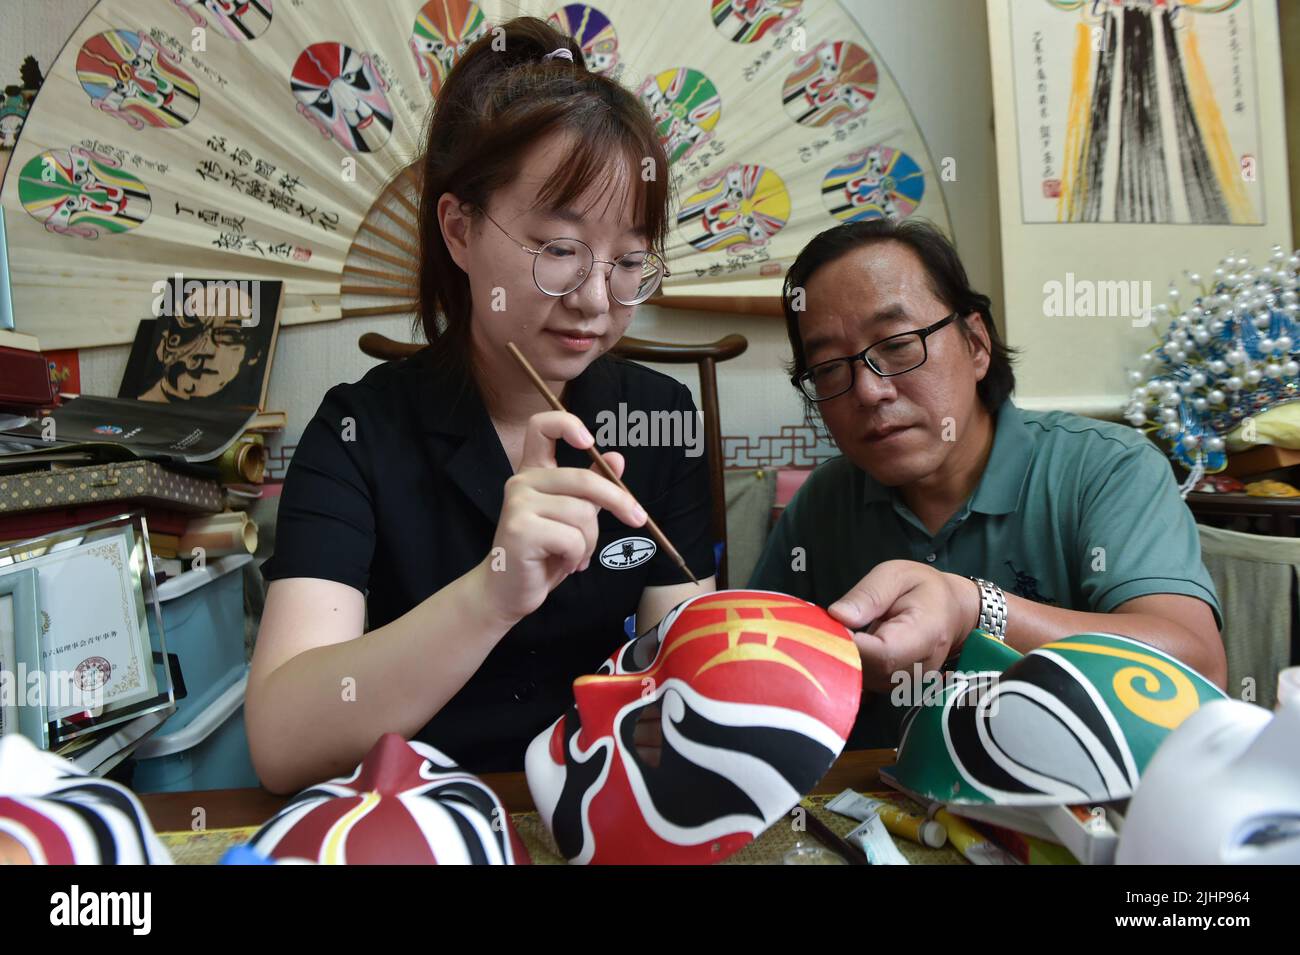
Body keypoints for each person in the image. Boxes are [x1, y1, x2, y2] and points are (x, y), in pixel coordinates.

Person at [248, 18, 716, 793]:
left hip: (593, 812)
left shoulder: (656, 419)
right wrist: (492, 592)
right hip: (415, 822)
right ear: (460, 230)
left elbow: (684, 682)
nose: (597, 300)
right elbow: (282, 737)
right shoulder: (359, 432)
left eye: (630, 260)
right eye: (560, 250)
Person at [749, 217, 1226, 748]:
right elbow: (757, 674)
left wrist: (974, 609)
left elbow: (1198, 669)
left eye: (899, 343)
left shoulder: (1104, 468)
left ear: (976, 343)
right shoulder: (825, 503)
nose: (869, 390)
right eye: (830, 369)